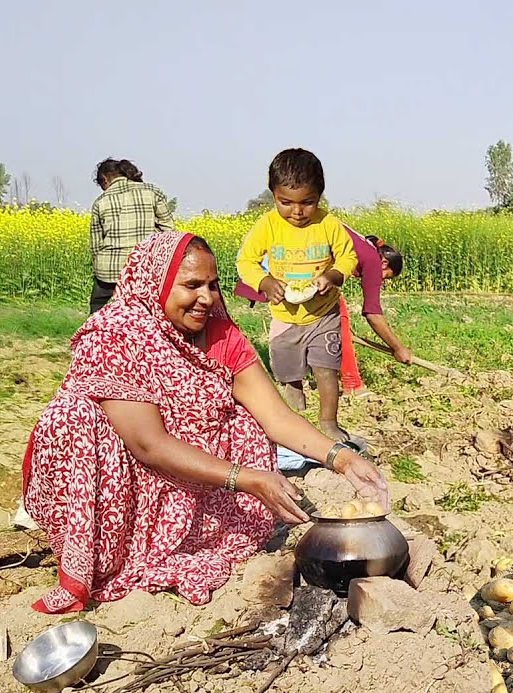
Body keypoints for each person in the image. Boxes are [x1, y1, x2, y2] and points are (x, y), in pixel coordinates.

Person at [22, 232, 387, 614]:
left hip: (190, 467)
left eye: (212, 285)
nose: (207, 298)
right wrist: (248, 478)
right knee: (75, 418)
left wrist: (343, 459)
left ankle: (198, 535)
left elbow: (275, 416)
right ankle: (112, 550)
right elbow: (150, 444)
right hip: (127, 470)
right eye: (192, 285)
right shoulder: (116, 336)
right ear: (155, 284)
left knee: (242, 418)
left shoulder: (220, 333)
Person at [235, 149, 358, 440]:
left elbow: (347, 257)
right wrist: (264, 282)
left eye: (308, 202)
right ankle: (295, 416)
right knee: (288, 374)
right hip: (284, 316)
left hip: (323, 313)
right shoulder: (267, 225)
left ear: (320, 196)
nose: (297, 211)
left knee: (326, 369)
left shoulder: (328, 224)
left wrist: (333, 275)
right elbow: (245, 261)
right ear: (273, 195)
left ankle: (328, 422)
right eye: (285, 203)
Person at [238, 227, 412, 398]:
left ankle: (297, 377)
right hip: (291, 266)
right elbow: (372, 312)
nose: (380, 280)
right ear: (384, 263)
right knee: (332, 316)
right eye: (385, 276)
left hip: (290, 262)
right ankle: (351, 383)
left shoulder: (359, 245)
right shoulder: (372, 258)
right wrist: (398, 348)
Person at [89, 158, 175, 313]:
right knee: (146, 312)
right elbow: (169, 231)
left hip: (108, 272)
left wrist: (98, 266)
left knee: (97, 311)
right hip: (143, 268)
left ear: (105, 179)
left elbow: (95, 246)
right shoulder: (152, 191)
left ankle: (95, 334)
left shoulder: (100, 201)